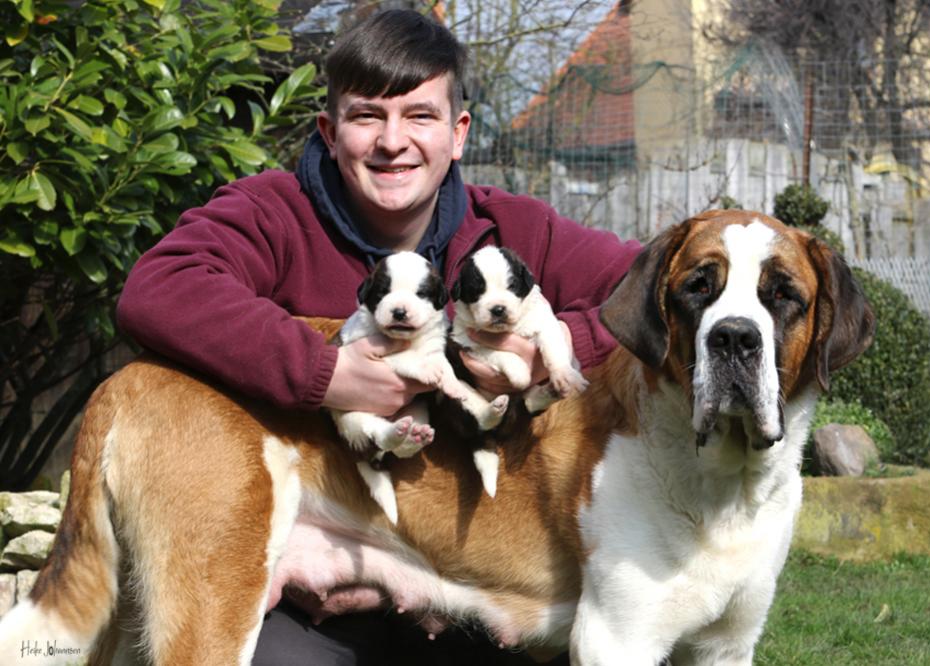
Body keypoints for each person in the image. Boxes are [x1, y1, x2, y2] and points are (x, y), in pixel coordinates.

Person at [116, 8, 641, 665]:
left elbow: (653, 287)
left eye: (419, 116)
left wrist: (550, 348)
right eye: (367, 116)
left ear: (458, 133)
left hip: (465, 584)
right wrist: (329, 375)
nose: (393, 141)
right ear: (329, 132)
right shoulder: (270, 211)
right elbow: (160, 287)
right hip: (311, 591)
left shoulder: (517, 231)